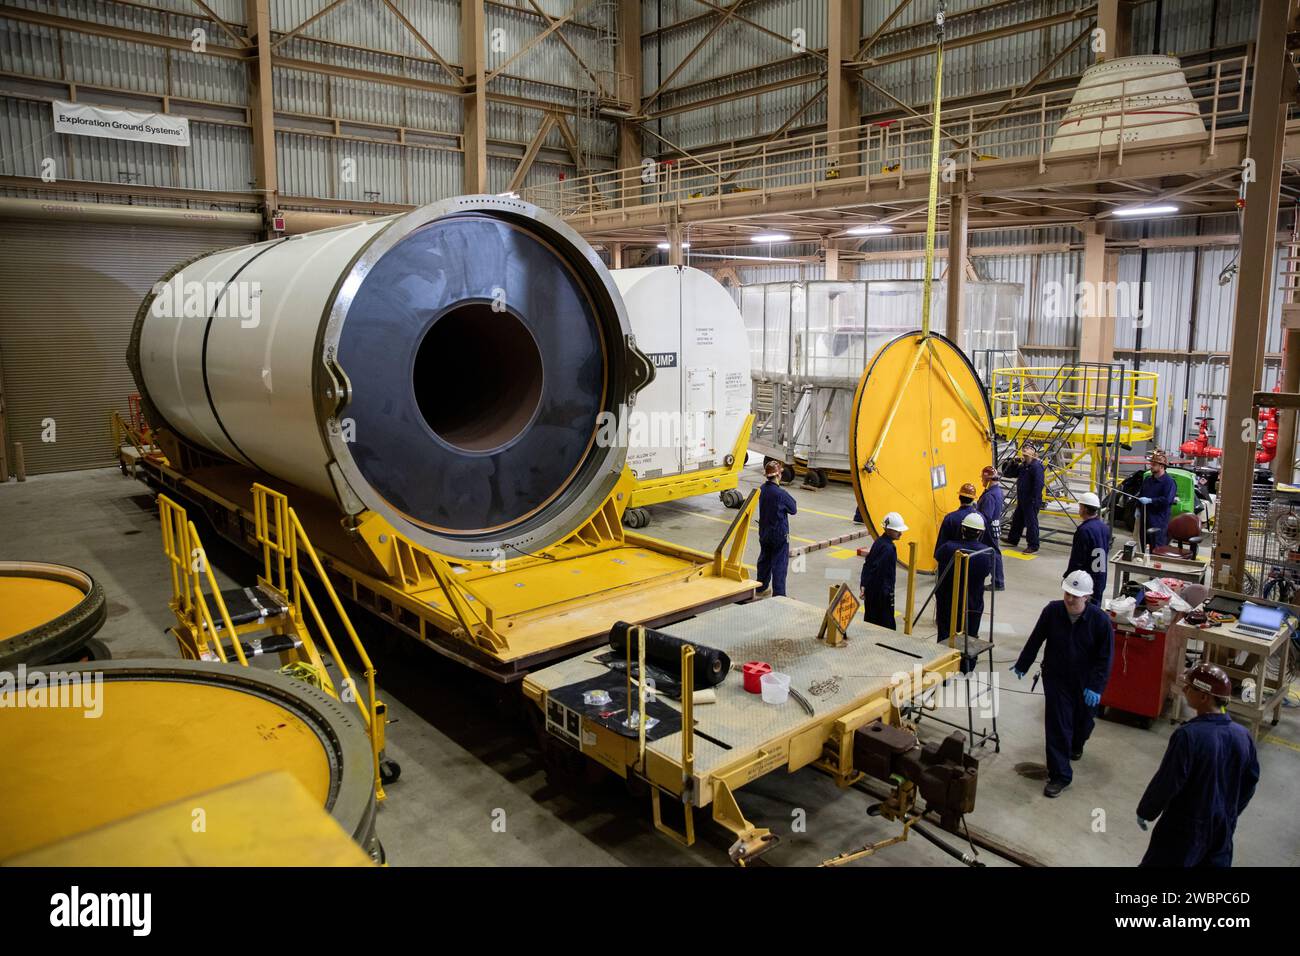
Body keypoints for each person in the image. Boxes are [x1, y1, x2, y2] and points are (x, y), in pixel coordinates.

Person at [1136, 663, 1260, 867]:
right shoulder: (1243, 735)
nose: (1184, 690)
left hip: (1185, 828)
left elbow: (1168, 781)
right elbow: (1250, 781)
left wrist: (1147, 810)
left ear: (1205, 697)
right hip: (1222, 827)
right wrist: (1230, 812)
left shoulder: (1189, 736)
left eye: (1190, 687)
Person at [1013, 570, 1113, 797]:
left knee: (1083, 722)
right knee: (1058, 725)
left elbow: (1104, 658)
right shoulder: (1052, 612)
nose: (1069, 599)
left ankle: (1077, 743)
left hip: (1085, 683)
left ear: (1087, 597)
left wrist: (1096, 687)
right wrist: (1023, 663)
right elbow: (1036, 638)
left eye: (1075, 596)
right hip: (1056, 678)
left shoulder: (1100, 622)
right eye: (1067, 593)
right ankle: (1060, 776)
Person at [933, 512, 993, 646]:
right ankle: (967, 664)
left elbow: (937, 556)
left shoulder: (948, 547)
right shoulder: (986, 553)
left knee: (945, 633)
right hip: (972, 603)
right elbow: (986, 572)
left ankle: (943, 661)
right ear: (980, 533)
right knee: (970, 637)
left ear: (962, 529)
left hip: (948, 601)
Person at [756, 459, 797, 597]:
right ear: (779, 475)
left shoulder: (762, 489)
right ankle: (779, 595)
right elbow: (793, 509)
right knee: (779, 564)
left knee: (764, 560)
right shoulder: (781, 494)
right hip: (779, 535)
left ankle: (761, 588)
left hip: (765, 533)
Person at [860, 511, 907, 629]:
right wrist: (887, 593)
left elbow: (868, 564)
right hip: (882, 594)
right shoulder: (889, 549)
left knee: (870, 622)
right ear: (889, 530)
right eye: (897, 531)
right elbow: (881, 573)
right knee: (887, 626)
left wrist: (864, 585)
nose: (900, 533)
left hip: (871, 591)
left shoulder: (878, 542)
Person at [1067, 492, 1111, 604]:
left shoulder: (1084, 530)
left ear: (1085, 509)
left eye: (1080, 506)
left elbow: (1077, 559)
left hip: (1085, 580)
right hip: (1100, 578)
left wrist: (1069, 576)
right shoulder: (1104, 527)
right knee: (1095, 610)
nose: (1079, 509)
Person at [1005, 443, 1045, 554]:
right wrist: (1012, 463)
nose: (1025, 449)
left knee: (1031, 523)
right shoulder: (1023, 465)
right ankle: (1013, 539)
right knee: (1017, 519)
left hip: (1031, 500)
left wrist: (1034, 499)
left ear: (1034, 452)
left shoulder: (1036, 466)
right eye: (1024, 448)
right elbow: (1009, 474)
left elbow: (1039, 484)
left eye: (1029, 448)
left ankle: (1033, 545)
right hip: (1022, 498)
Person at [1137, 450, 1178, 549]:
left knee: (1157, 549)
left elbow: (1167, 500)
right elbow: (1140, 495)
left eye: (1154, 464)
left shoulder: (1169, 482)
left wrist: (1151, 500)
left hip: (1158, 521)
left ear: (1161, 466)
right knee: (1144, 547)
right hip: (1145, 520)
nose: (1151, 466)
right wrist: (1137, 508)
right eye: (1151, 464)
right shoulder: (1148, 480)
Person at [977, 465, 1005, 591]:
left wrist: (974, 512)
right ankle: (997, 580)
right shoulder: (998, 491)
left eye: (983, 479)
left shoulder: (989, 496)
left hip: (987, 529)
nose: (982, 481)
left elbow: (986, 516)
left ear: (988, 480)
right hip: (994, 526)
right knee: (994, 553)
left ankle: (998, 582)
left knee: (993, 554)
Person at [934, 482, 979, 558]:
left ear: (959, 498)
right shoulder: (980, 518)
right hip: (973, 561)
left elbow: (941, 545)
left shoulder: (950, 518)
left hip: (951, 560)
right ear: (973, 499)